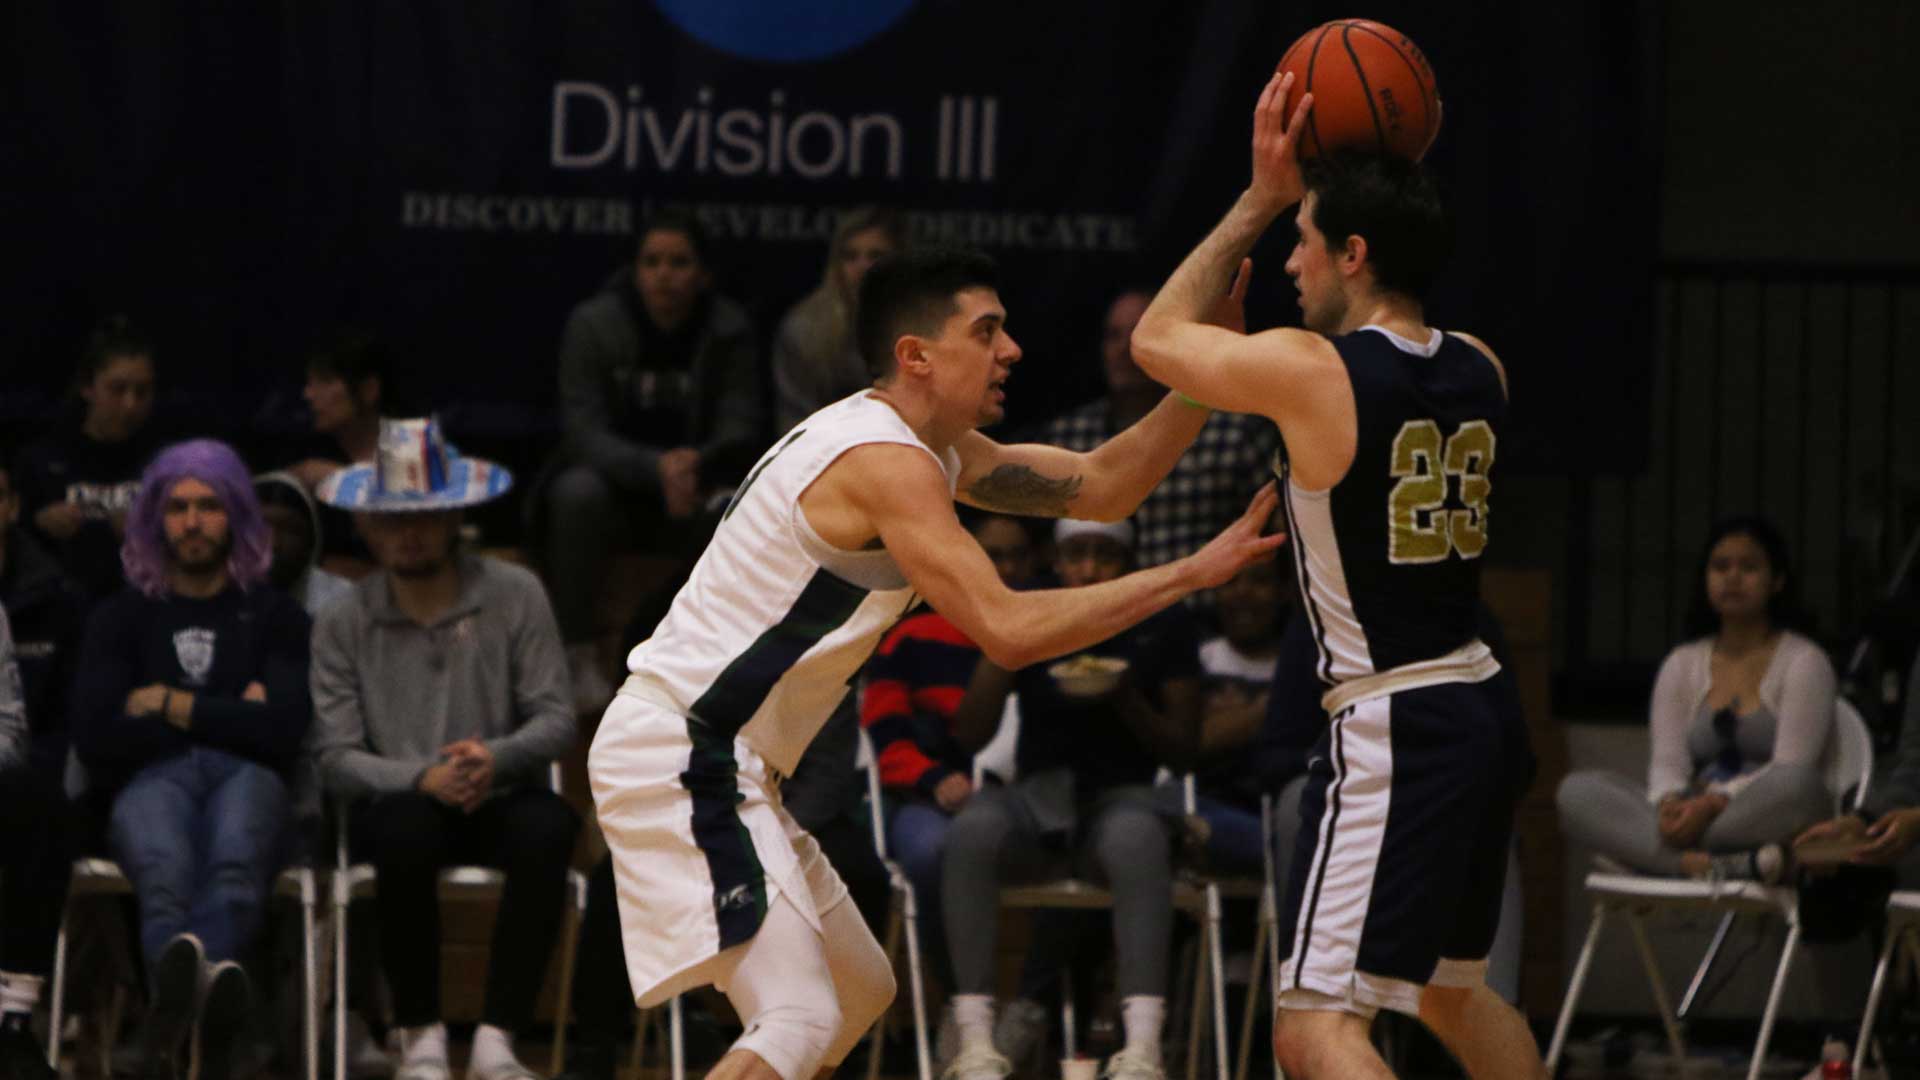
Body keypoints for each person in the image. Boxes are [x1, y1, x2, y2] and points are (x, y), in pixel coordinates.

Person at [587, 245, 1284, 1080]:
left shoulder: (934, 452)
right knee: (801, 1015)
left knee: (854, 993)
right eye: (987, 331)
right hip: (684, 750)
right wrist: (1187, 575)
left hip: (724, 760)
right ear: (916, 356)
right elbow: (1010, 629)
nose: (1012, 350)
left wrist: (1204, 377)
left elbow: (1104, 485)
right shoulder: (886, 463)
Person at [1129, 72, 1541, 1079]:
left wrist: (1259, 195)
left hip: (1398, 721)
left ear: (1355, 254)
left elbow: (1153, 341)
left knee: (1314, 1031)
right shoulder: (1481, 364)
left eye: (1305, 237)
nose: (1287, 259)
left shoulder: (1320, 373)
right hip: (1484, 707)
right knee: (1451, 994)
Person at [311, 418, 578, 1080]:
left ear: (456, 514)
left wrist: (495, 756)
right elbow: (336, 756)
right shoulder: (344, 618)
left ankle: (497, 1039)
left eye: (427, 514)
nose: (410, 531)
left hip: (499, 790)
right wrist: (420, 776)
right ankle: (420, 1036)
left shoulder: (516, 593)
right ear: (366, 526)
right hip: (406, 799)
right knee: (402, 829)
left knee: (551, 826)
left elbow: (556, 719)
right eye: (392, 517)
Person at [70, 439, 313, 1080]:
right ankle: (215, 1032)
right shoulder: (119, 616)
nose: (193, 521)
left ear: (235, 514)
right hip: (151, 782)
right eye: (177, 507)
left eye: (208, 505)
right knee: (164, 874)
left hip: (251, 778)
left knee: (234, 867)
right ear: (155, 518)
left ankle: (166, 1040)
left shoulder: (275, 615)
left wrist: (167, 705)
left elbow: (285, 730)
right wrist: (234, 711)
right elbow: (95, 736)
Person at [941, 516, 1203, 1080]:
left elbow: (1184, 751)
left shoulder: (1161, 618)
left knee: (1138, 839)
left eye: (1104, 555)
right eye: (1076, 554)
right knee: (971, 831)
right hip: (1034, 802)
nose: (1088, 569)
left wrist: (1125, 693)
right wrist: (1007, 640)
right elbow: (969, 734)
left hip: (1121, 799)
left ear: (1127, 563)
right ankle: (977, 1040)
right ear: (1055, 562)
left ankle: (1142, 1045)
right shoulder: (1030, 607)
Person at [543, 209, 768, 713]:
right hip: (617, 487)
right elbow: (582, 430)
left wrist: (694, 463)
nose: (664, 274)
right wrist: (654, 467)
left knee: (739, 509)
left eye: (679, 262)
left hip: (698, 485)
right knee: (574, 494)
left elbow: (743, 421)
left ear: (704, 274)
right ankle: (577, 649)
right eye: (652, 262)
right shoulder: (594, 324)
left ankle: (708, 664)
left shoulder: (730, 328)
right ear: (635, 270)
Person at [1559, 517, 1836, 882]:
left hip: (1759, 815)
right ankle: (1703, 866)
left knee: (1799, 786)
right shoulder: (1681, 664)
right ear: (1705, 579)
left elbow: (1793, 763)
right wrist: (1672, 805)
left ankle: (1665, 861)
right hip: (1692, 817)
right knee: (1575, 792)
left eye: (1749, 567)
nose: (1732, 577)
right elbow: (1667, 767)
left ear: (1777, 580)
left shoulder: (1804, 661)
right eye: (1721, 566)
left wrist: (1713, 804)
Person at [1036, 289, 1277, 579]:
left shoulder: (1236, 435)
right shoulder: (1066, 437)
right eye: (1113, 336)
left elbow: (1273, 538)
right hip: (1093, 610)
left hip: (1200, 611)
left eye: (1138, 335)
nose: (1123, 349)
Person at [13, 315, 160, 601]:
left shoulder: (166, 463)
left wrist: (149, 528)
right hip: (59, 608)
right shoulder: (41, 461)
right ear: (88, 387)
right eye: (117, 390)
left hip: (147, 604)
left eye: (142, 392)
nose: (130, 405)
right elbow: (12, 538)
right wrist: (37, 525)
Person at [771, 207, 906, 432]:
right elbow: (795, 427)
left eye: (876, 255)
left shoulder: (926, 326)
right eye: (850, 256)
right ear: (836, 265)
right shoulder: (803, 330)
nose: (862, 267)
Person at [253, 472, 353, 616]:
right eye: (260, 528)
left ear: (311, 541)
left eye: (289, 530)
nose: (274, 543)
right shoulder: (214, 592)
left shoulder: (344, 604)